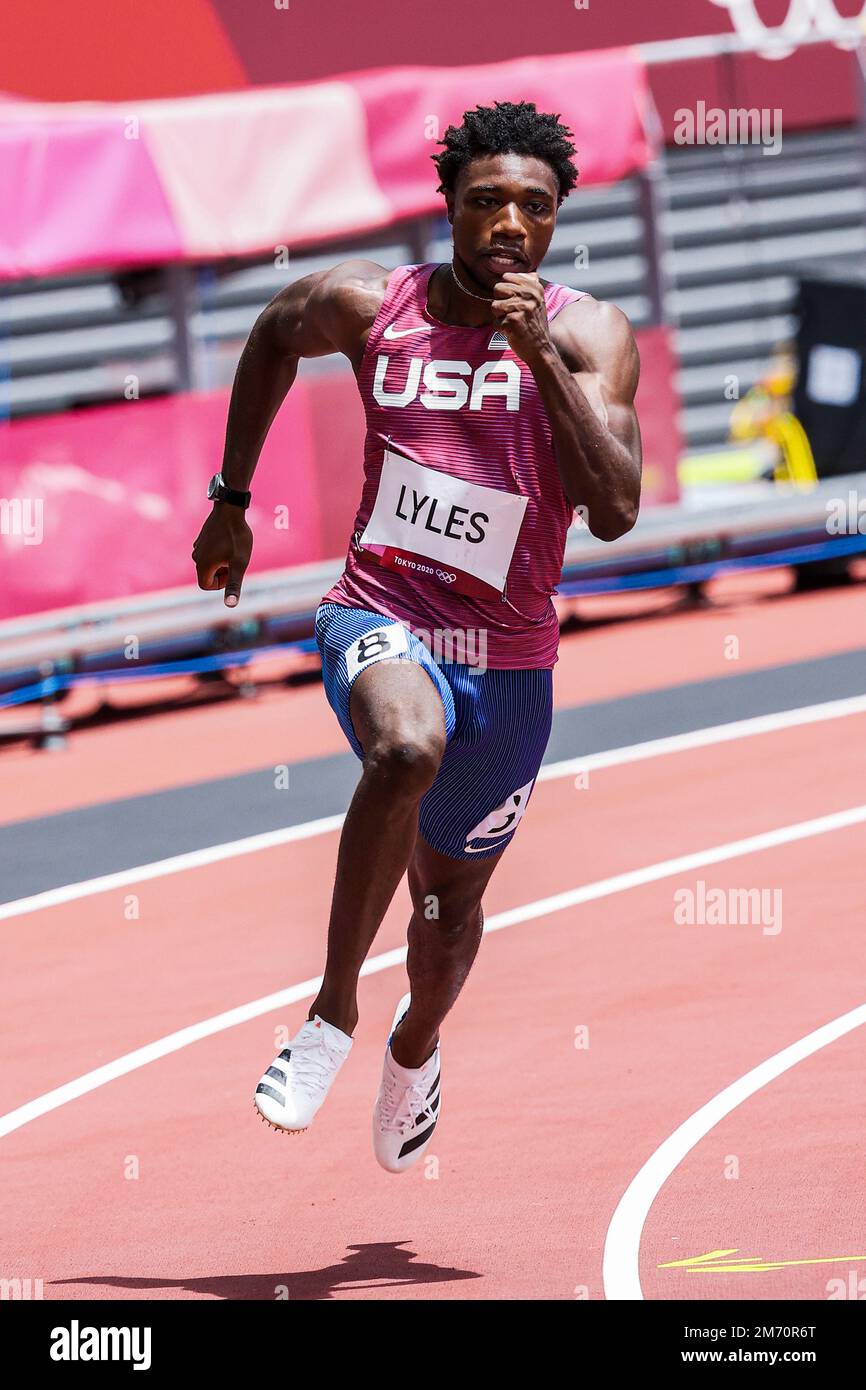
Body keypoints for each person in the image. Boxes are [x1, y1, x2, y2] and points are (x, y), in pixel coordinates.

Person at [192, 100, 642, 1173]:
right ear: (447, 207)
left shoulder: (585, 335)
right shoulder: (370, 305)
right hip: (381, 609)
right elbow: (269, 332)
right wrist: (230, 497)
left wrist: (533, 352)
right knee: (402, 747)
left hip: (511, 666)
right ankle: (332, 1014)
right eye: (484, 201)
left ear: (552, 223)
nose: (506, 224)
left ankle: (413, 1043)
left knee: (445, 918)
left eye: (531, 208)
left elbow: (616, 505)